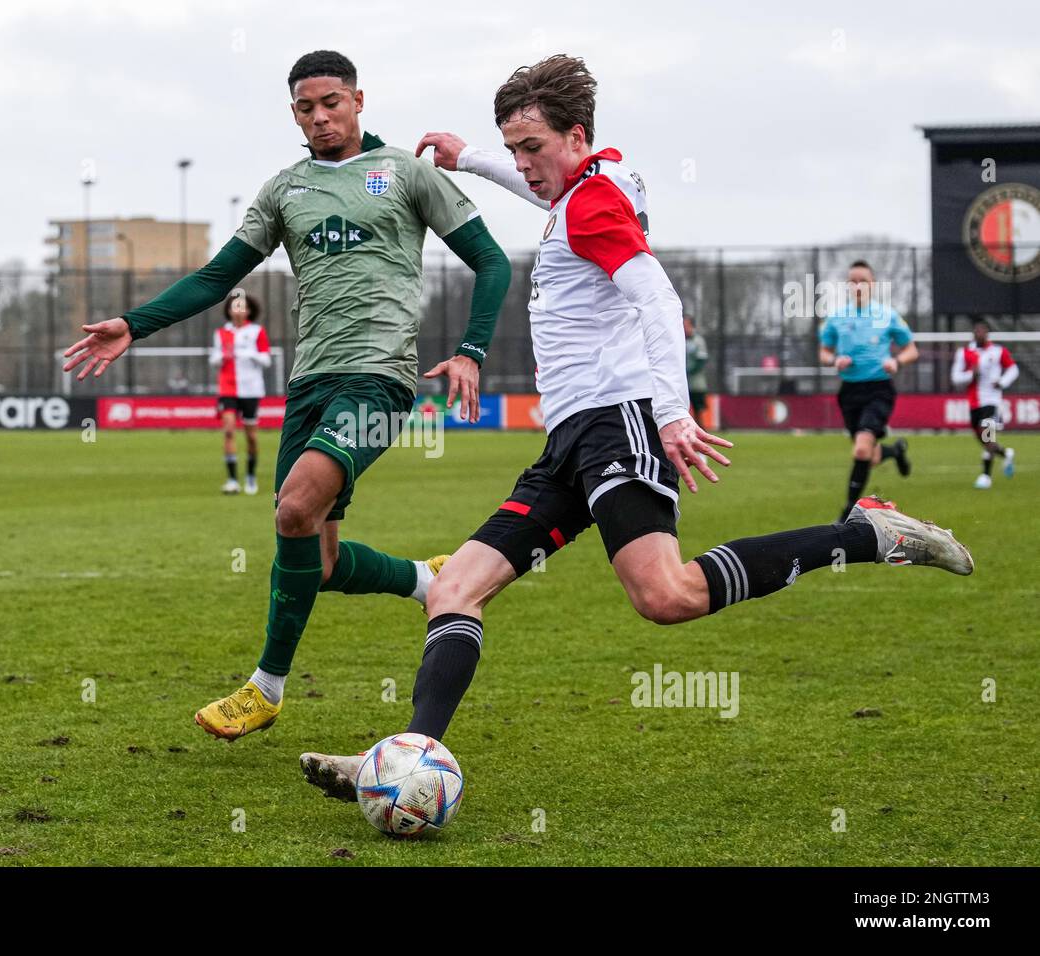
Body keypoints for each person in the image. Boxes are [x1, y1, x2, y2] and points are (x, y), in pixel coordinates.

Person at [300, 54, 973, 801]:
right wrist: (473, 158)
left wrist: (673, 414)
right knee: (453, 587)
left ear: (578, 136)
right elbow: (540, 177)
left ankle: (868, 535)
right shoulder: (594, 182)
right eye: (514, 148)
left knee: (667, 598)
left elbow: (655, 296)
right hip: (569, 440)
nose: (525, 166)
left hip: (617, 425)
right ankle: (410, 752)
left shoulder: (590, 204)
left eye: (533, 149)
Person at [62, 50, 512, 740]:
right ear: (293, 114)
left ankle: (265, 688)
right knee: (319, 560)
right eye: (306, 107)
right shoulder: (284, 190)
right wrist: (133, 323)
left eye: (332, 102)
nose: (321, 116)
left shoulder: (407, 174)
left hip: (379, 378)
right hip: (309, 384)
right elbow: (217, 278)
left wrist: (471, 352)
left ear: (359, 100)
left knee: (294, 507)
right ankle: (426, 580)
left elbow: (490, 259)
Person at [818, 260, 916, 522]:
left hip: (878, 389)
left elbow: (911, 349)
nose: (857, 285)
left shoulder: (887, 315)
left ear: (873, 285)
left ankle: (848, 511)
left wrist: (897, 361)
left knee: (861, 451)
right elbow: (824, 352)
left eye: (863, 280)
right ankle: (895, 451)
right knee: (868, 456)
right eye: (852, 281)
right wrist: (833, 360)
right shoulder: (837, 318)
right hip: (849, 392)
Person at [211, 290, 271, 495]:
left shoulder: (256, 331)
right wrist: (222, 356)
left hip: (251, 389)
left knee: (251, 437)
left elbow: (266, 359)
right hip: (227, 388)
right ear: (228, 310)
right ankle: (232, 480)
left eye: (242, 306)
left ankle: (251, 477)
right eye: (234, 306)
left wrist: (248, 353)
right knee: (228, 431)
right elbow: (214, 359)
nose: (238, 310)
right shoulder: (221, 333)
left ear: (249, 311)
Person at [951, 319, 1018, 489]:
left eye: (983, 331)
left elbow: (1013, 369)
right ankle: (1006, 453)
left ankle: (985, 476)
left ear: (987, 333)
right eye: (977, 331)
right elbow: (955, 377)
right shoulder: (965, 352)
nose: (980, 334)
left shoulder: (998, 351)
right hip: (974, 403)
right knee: (983, 437)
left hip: (992, 400)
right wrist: (970, 375)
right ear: (974, 333)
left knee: (987, 434)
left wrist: (1002, 382)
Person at [684, 316, 711, 431]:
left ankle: (701, 434)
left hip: (696, 384)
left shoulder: (698, 341)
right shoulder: (679, 339)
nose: (684, 327)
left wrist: (689, 371)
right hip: (682, 383)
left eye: (686, 325)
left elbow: (702, 360)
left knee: (697, 411)